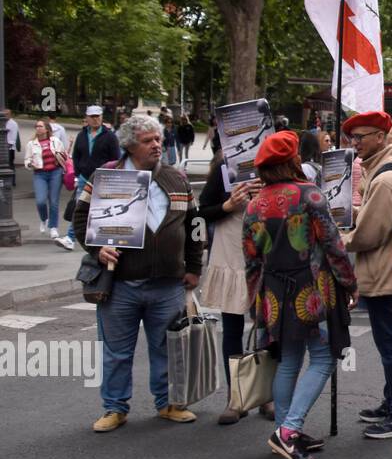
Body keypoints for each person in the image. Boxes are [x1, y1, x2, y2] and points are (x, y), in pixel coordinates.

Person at [74, 115, 204, 431]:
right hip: (120, 284)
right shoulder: (106, 177)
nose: (157, 145)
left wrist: (195, 267)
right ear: (130, 145)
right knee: (117, 353)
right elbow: (80, 219)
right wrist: (96, 249)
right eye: (148, 141)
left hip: (167, 284)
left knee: (168, 350)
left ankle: (169, 403)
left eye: (158, 139)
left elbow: (194, 226)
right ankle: (115, 408)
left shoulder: (177, 179)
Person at [244, 131, 357, 459]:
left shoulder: (254, 204)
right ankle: (289, 430)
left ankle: (283, 430)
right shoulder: (310, 196)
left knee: (289, 360)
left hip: (273, 293)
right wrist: (349, 283)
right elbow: (334, 247)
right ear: (293, 161)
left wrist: (255, 302)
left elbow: (251, 260)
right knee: (323, 357)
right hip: (312, 289)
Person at [340, 110, 392, 439]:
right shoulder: (385, 170)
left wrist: (339, 237)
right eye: (353, 137)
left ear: (381, 137)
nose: (354, 143)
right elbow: (374, 216)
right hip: (384, 265)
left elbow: (369, 234)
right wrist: (354, 212)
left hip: (383, 267)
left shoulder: (386, 177)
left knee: (391, 344)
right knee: (390, 340)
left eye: (361, 137)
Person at [196, 132, 273, 424]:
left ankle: (267, 396)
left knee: (266, 327)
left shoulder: (275, 166)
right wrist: (228, 205)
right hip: (231, 251)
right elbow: (199, 214)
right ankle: (237, 397)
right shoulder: (223, 169)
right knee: (232, 328)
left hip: (266, 251)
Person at [66, 106, 122, 246]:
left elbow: (116, 158)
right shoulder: (82, 135)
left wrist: (112, 176)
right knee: (80, 207)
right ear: (87, 118)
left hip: (103, 178)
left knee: (100, 210)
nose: (95, 119)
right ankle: (70, 238)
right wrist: (78, 173)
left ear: (102, 117)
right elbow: (76, 156)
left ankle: (98, 237)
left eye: (98, 116)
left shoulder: (109, 136)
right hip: (84, 178)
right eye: (92, 116)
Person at [25, 119, 75, 249]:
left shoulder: (55, 141)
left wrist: (68, 148)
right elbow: (27, 160)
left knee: (54, 201)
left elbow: (64, 156)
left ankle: (53, 227)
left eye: (40, 126)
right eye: (36, 126)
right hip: (39, 174)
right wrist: (30, 164)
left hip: (55, 173)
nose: (38, 128)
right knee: (40, 201)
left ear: (46, 129)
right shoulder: (31, 144)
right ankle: (44, 219)